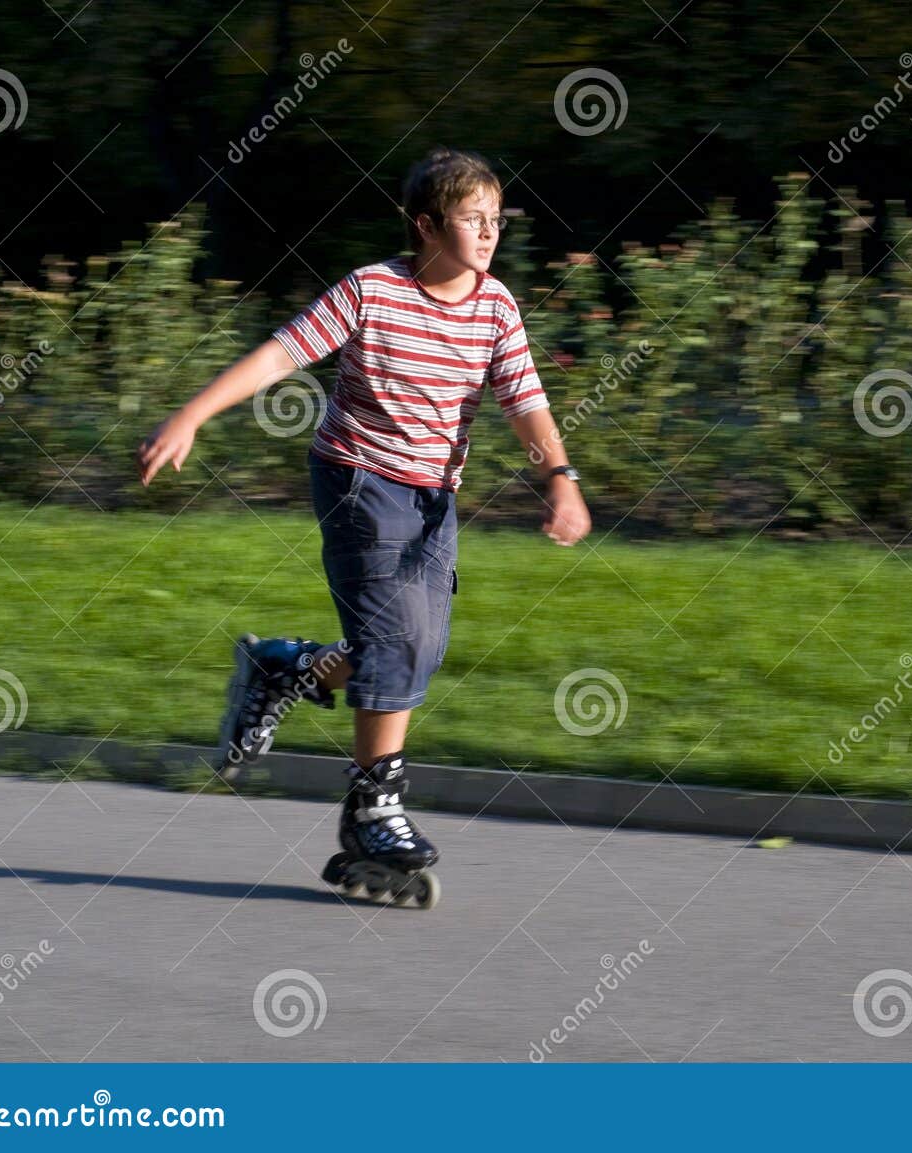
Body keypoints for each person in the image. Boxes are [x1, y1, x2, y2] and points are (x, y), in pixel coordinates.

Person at [136, 146, 589, 897]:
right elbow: (281, 354)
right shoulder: (372, 291)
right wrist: (192, 413)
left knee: (419, 645)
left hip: (432, 497)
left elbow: (525, 403)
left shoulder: (496, 306)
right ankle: (374, 806)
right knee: (399, 639)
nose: (488, 233)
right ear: (425, 224)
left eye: (495, 219)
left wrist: (560, 479)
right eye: (471, 219)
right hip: (358, 480)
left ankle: (285, 667)